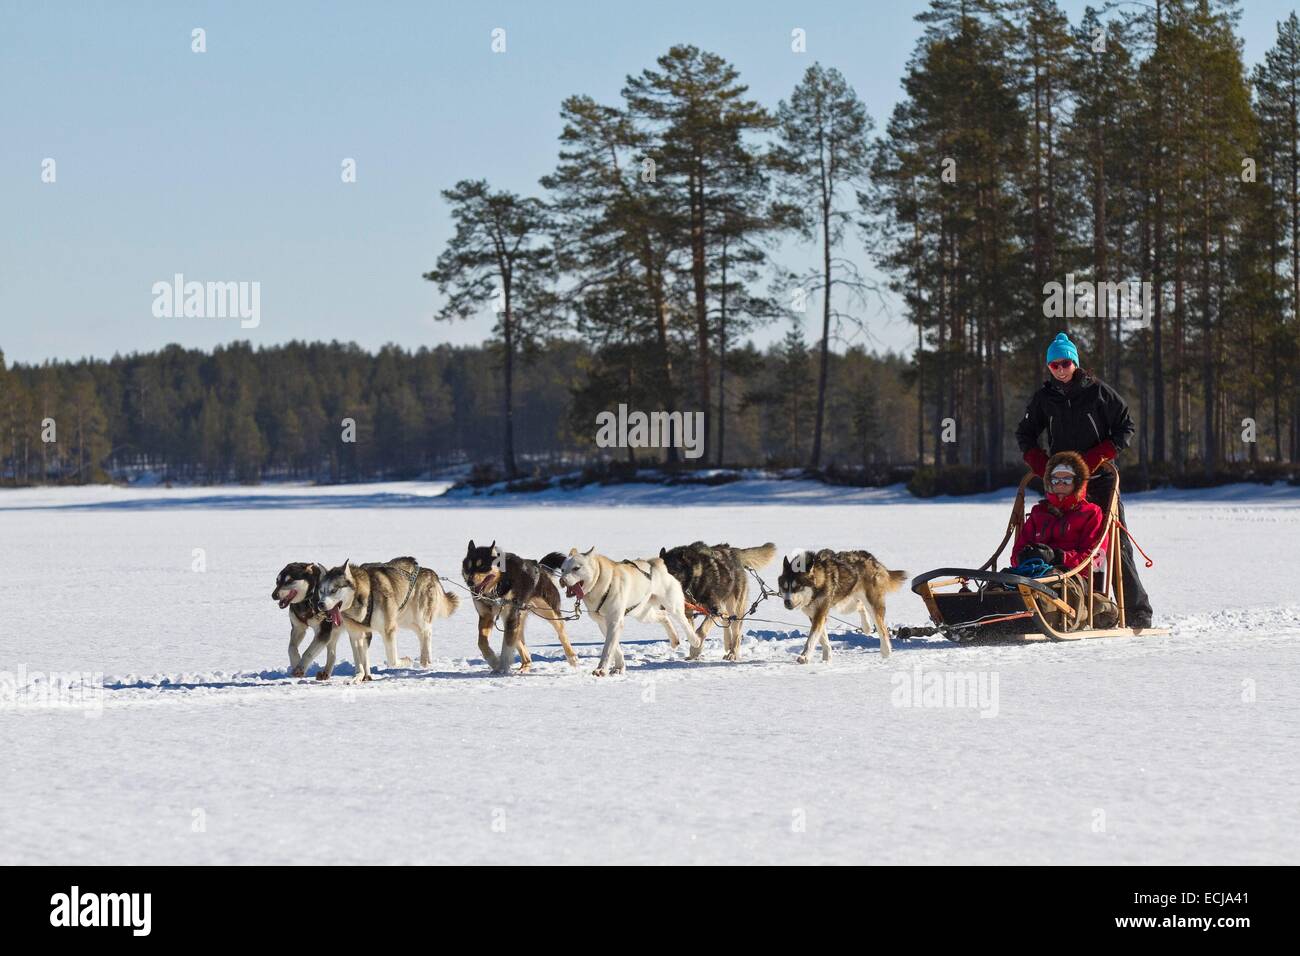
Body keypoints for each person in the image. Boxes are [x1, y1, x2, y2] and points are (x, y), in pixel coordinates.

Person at [1015, 332, 1153, 626]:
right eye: (1055, 365)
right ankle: (1067, 603)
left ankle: (1136, 612)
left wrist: (1100, 455)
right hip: (1062, 481)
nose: (1061, 370)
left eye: (1065, 363)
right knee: (1058, 537)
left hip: (1100, 479)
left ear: (1075, 363)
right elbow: (1025, 434)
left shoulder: (1098, 392)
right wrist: (1042, 465)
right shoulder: (1044, 398)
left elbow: (1125, 426)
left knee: (1112, 545)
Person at [1012, 451, 1105, 572]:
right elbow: (1016, 555)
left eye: (1067, 480)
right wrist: (1025, 557)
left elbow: (1096, 560)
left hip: (1071, 577)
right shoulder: (1038, 512)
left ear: (1077, 483)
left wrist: (1059, 557)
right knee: (997, 587)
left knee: (1046, 582)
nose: (1060, 485)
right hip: (1032, 573)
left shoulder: (1091, 513)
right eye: (1055, 480)